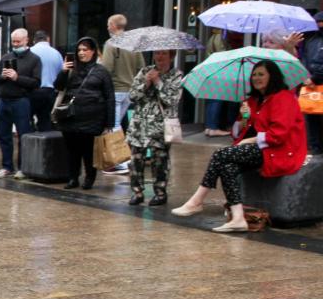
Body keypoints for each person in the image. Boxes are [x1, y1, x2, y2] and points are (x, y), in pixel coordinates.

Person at [173, 60, 306, 232]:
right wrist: (243, 119)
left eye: (261, 74)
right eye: (254, 75)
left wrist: (250, 141)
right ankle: (237, 218)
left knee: (220, 154)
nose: (256, 78)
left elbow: (279, 134)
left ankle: (197, 201)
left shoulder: (283, 97)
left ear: (272, 76)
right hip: (258, 149)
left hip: (278, 151)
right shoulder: (253, 100)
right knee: (227, 167)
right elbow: (238, 134)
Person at [54, 37, 114, 190]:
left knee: (89, 151)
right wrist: (63, 71)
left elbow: (109, 96)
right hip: (70, 117)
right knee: (72, 151)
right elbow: (59, 87)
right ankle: (73, 178)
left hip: (92, 118)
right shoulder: (71, 69)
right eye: (79, 50)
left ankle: (89, 178)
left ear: (93, 52)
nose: (81, 53)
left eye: (85, 50)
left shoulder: (101, 71)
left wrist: (109, 122)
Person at [126, 50, 183, 206]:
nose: (159, 57)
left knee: (160, 160)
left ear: (171, 56)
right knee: (136, 159)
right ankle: (137, 192)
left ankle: (160, 192)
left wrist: (158, 82)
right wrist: (146, 82)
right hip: (140, 124)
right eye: (157, 53)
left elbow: (171, 100)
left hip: (160, 125)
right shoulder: (145, 71)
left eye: (163, 53)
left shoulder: (176, 75)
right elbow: (132, 96)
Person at [0, 28, 41, 179]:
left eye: (18, 42)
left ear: (26, 40)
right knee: (3, 135)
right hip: (4, 100)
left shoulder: (34, 59)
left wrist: (17, 78)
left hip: (21, 101)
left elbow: (36, 83)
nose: (15, 44)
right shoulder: (6, 57)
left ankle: (23, 167)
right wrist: (2, 76)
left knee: (23, 136)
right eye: (13, 41)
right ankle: (7, 166)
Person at [101, 14, 143, 174]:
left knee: (114, 125)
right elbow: (141, 66)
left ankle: (121, 161)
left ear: (113, 25)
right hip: (129, 89)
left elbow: (106, 69)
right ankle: (121, 159)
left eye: (108, 24)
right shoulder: (133, 43)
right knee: (118, 124)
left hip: (116, 89)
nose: (107, 27)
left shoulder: (111, 43)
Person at [204, 28, 237, 137]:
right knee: (216, 100)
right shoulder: (219, 38)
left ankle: (209, 127)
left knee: (212, 100)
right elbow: (224, 55)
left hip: (212, 70)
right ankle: (213, 127)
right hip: (219, 71)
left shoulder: (212, 37)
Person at [30, 30, 64, 132]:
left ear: (34, 40)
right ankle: (46, 145)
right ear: (48, 39)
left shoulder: (30, 52)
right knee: (45, 121)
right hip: (50, 92)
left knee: (26, 120)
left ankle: (28, 144)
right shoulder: (57, 53)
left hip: (32, 91)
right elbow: (61, 74)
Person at [302, 12, 323, 154]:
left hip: (314, 82)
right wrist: (306, 76)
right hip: (312, 84)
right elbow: (305, 59)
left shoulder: (310, 39)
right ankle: (315, 146)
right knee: (312, 115)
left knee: (314, 117)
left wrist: (312, 77)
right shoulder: (310, 39)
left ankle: (316, 146)